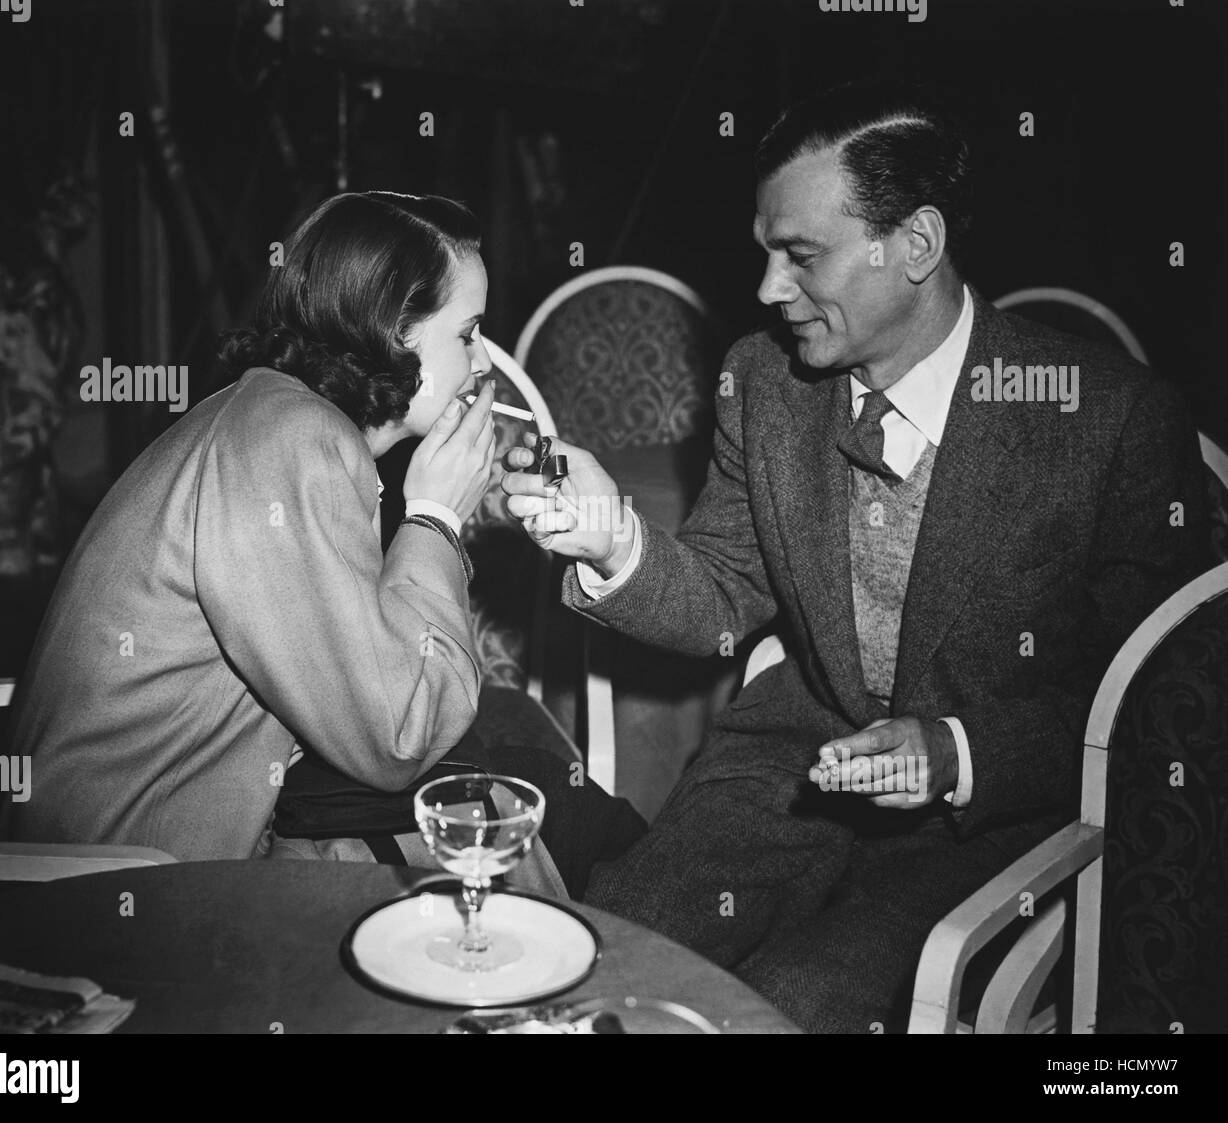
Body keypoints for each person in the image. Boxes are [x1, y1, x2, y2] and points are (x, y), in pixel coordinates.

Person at [502, 80, 1211, 1029]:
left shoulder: (1112, 417)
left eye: (801, 256)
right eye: (764, 253)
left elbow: (1159, 709)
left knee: (799, 1007)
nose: (765, 291)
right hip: (791, 764)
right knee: (607, 955)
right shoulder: (763, 380)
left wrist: (955, 751)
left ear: (916, 243)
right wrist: (613, 541)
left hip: (989, 818)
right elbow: (723, 592)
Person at [4, 192, 643, 896]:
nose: (483, 364)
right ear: (396, 330)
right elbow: (398, 732)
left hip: (169, 844)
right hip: (126, 890)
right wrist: (434, 517)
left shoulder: (280, 417)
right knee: (522, 820)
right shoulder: (291, 441)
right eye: (468, 334)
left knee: (538, 787)